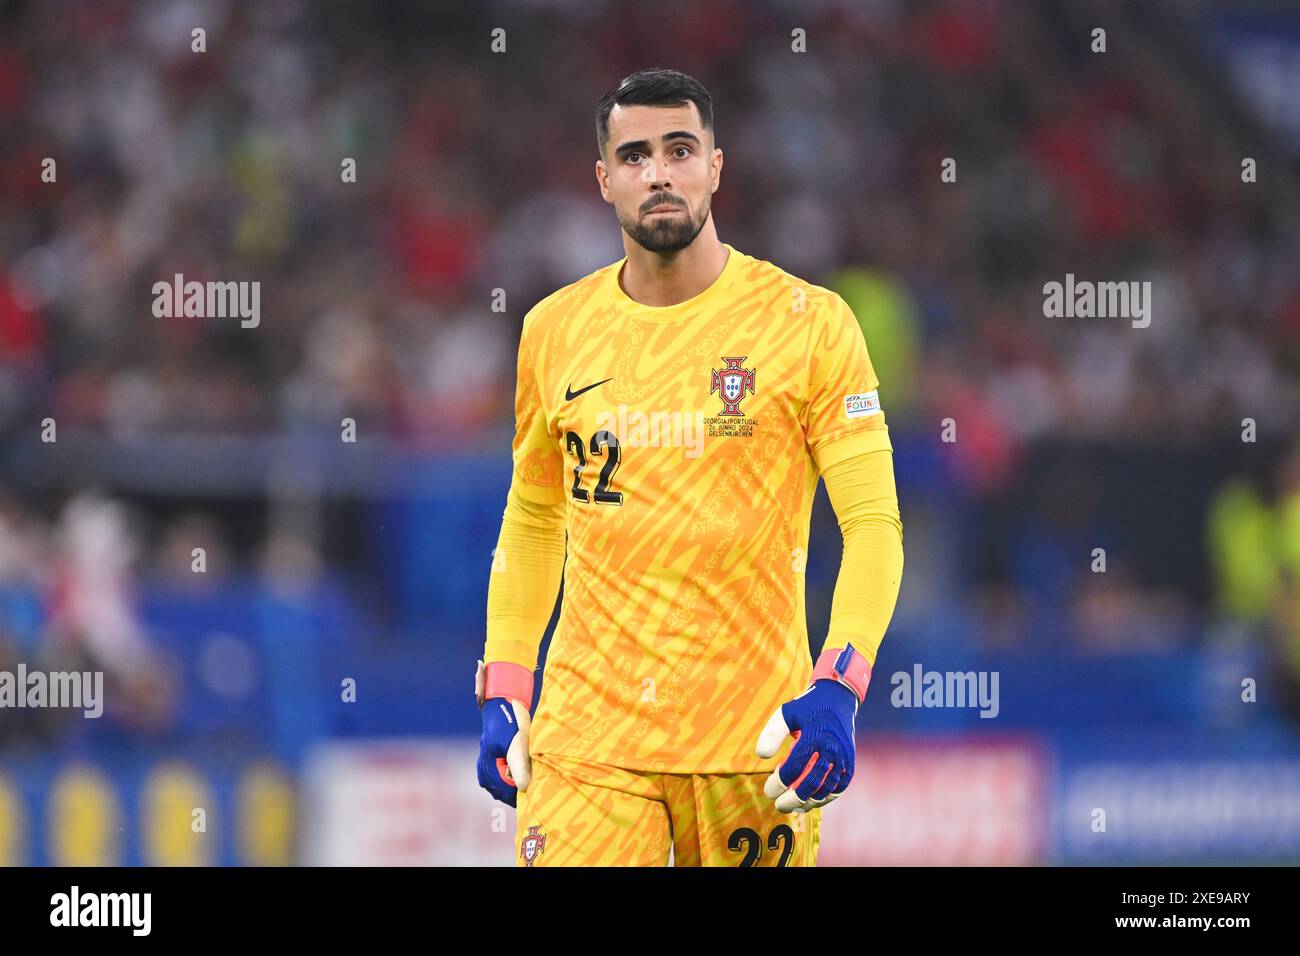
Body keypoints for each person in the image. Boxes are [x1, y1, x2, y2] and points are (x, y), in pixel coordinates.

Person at [476, 68, 903, 866]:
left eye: (680, 149)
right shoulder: (553, 330)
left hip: (754, 738)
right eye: (634, 156)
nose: (659, 173)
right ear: (604, 181)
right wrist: (507, 685)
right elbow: (535, 518)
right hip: (588, 741)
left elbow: (873, 524)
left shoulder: (809, 326)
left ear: (716, 166)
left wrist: (841, 683)